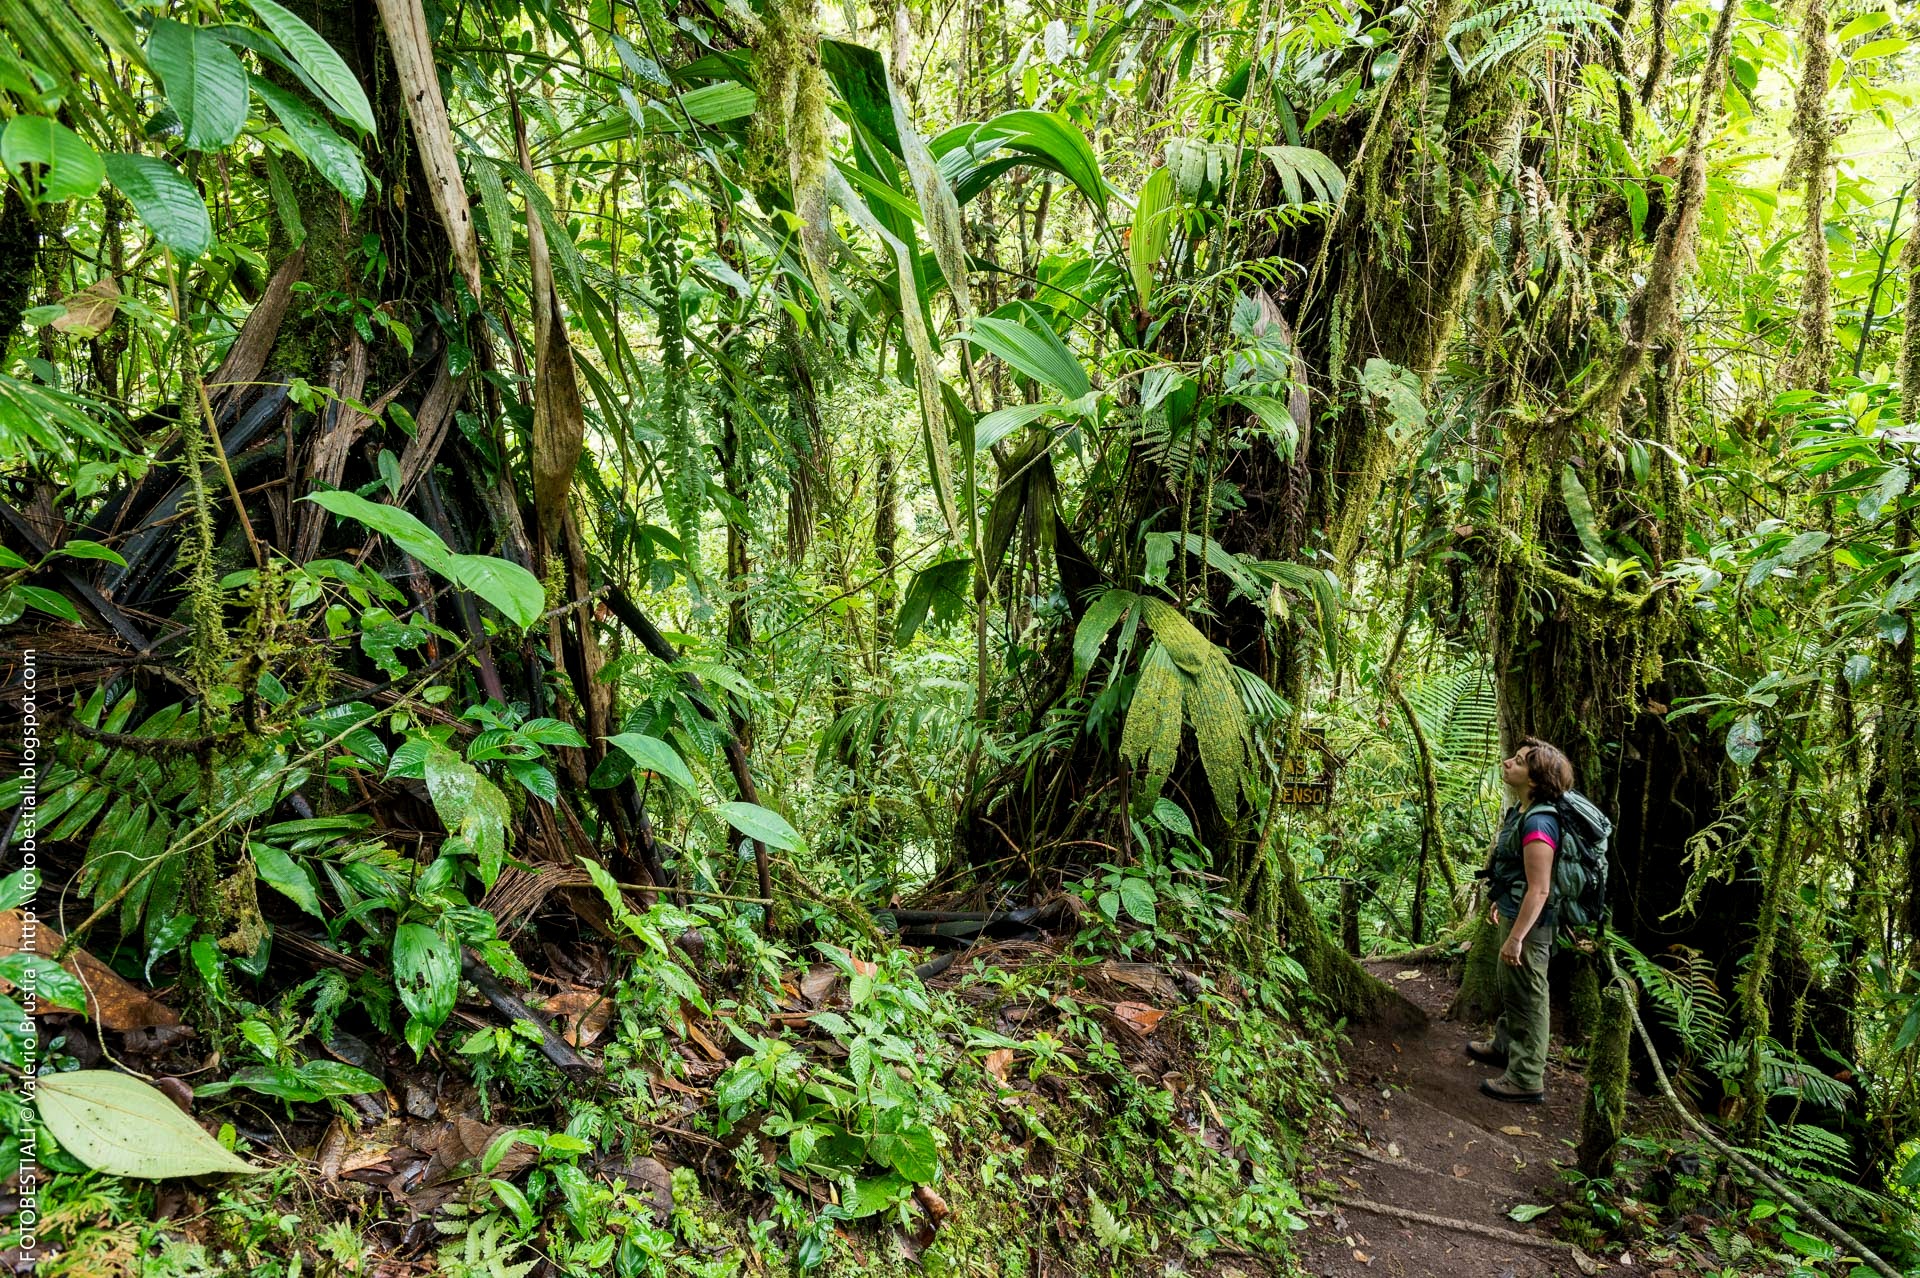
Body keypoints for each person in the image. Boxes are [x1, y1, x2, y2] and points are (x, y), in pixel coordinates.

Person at [1467, 736, 1573, 1104]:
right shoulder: (1525, 810)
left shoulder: (1540, 823)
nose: (1509, 763)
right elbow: (1517, 873)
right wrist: (1501, 901)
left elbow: (1540, 889)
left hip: (1532, 924)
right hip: (1516, 913)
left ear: (1534, 779)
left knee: (1529, 995)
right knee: (1512, 986)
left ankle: (1527, 1077)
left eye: (1519, 761)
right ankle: (1505, 1045)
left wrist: (1517, 938)